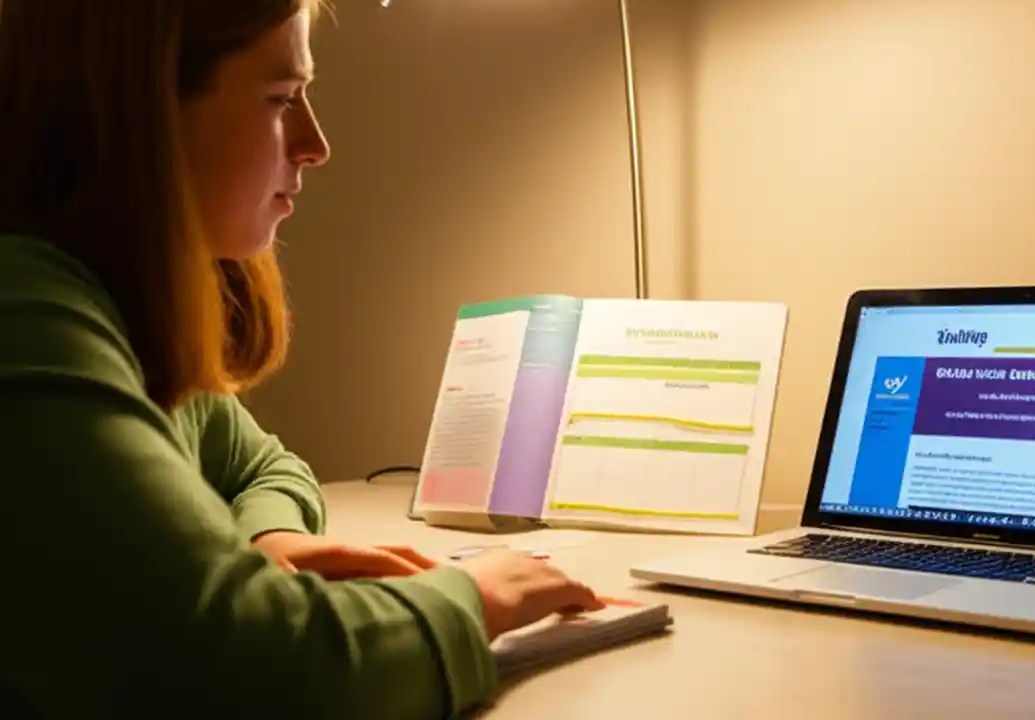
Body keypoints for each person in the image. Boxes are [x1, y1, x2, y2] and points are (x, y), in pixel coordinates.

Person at [0, 0, 604, 716]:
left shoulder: (122, 324)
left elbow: (263, 466)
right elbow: (251, 672)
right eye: (282, 98)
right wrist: (476, 598)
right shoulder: (24, 320)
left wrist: (272, 537)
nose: (316, 145)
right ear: (143, 111)